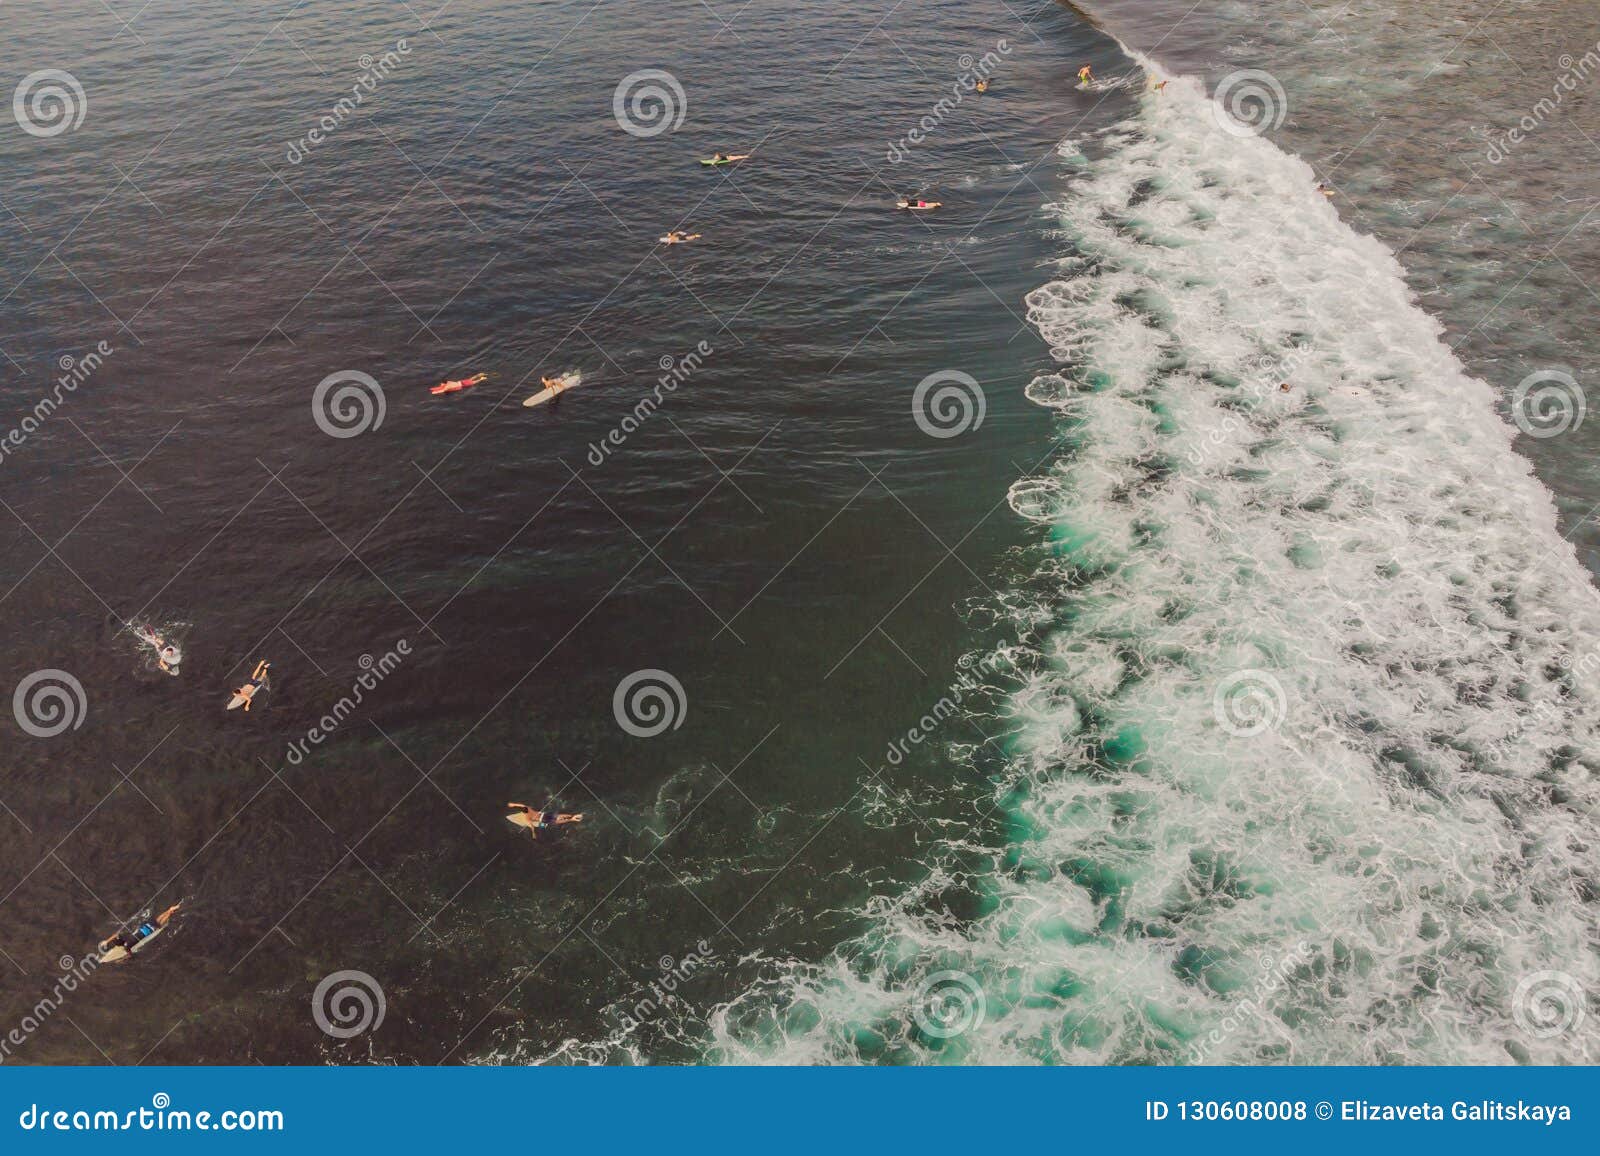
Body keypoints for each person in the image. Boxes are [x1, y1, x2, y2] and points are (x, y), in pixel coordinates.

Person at [100, 903, 181, 957]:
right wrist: (106, 941)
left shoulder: (126, 946)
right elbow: (115, 935)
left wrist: (122, 959)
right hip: (144, 926)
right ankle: (169, 910)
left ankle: (170, 912)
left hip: (148, 931)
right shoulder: (124, 938)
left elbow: (130, 955)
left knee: (160, 924)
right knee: (157, 920)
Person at [506, 802, 583, 840]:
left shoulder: (527, 817)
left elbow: (532, 826)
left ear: (522, 812)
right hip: (544, 814)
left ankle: (572, 819)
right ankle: (573, 815)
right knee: (559, 816)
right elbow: (520, 805)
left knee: (556, 821)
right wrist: (512, 805)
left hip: (543, 819)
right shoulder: (527, 807)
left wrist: (533, 833)